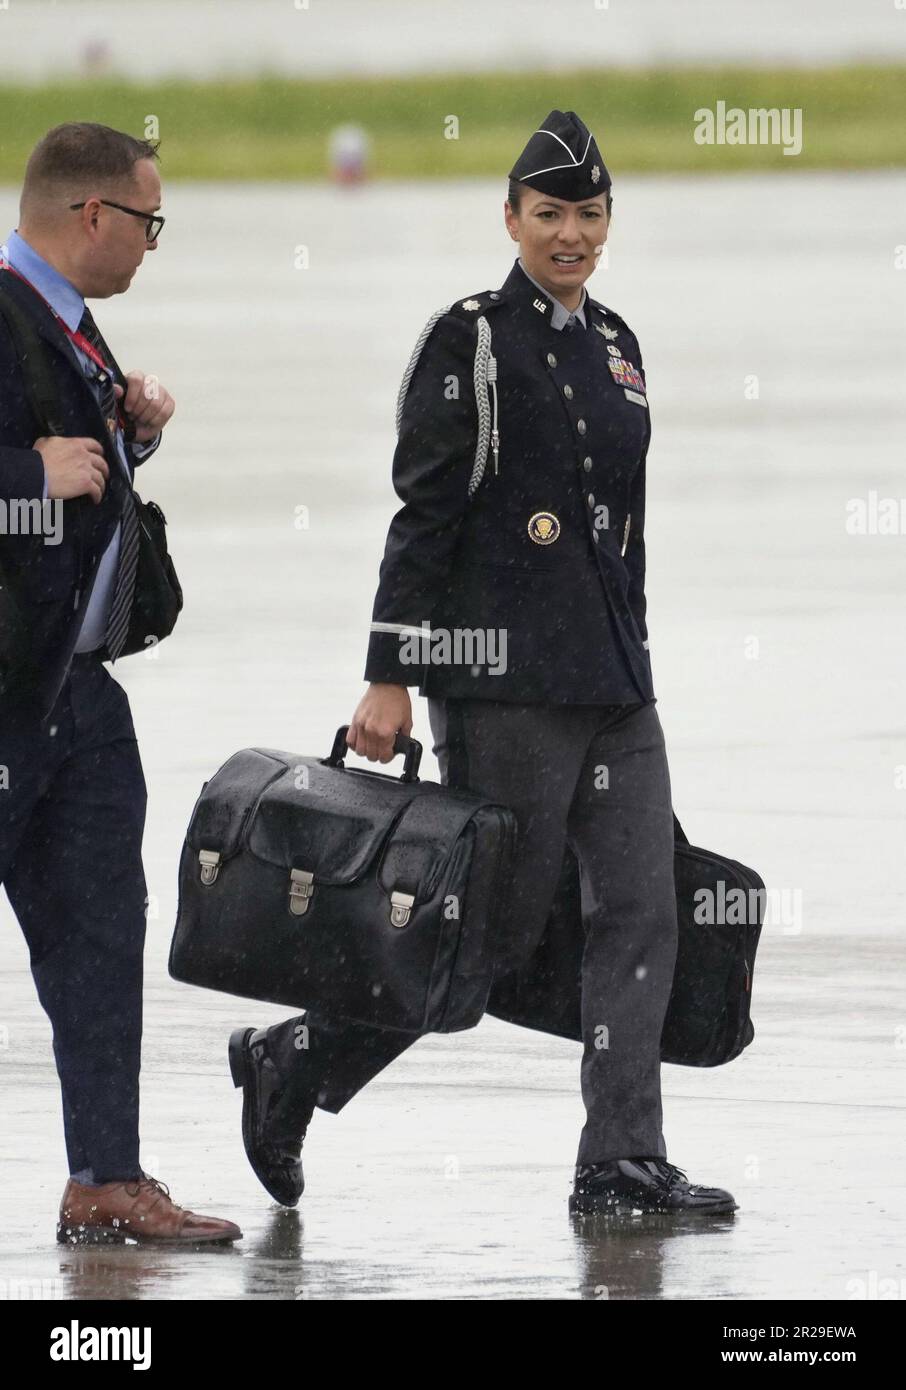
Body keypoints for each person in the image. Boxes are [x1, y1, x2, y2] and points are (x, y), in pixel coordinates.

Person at [230, 110, 737, 1216]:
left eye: (589, 214)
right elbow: (425, 517)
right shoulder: (469, 342)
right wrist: (389, 672)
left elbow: (623, 526)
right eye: (549, 214)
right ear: (509, 219)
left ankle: (619, 1159)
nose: (570, 234)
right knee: (483, 930)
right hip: (501, 680)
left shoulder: (618, 345)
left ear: (610, 221)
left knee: (642, 908)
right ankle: (298, 1056)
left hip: (613, 682)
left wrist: (636, 654)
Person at [0, 123, 240, 1244]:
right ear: (93, 214)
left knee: (101, 935)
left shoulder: (69, 328)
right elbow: (33, 482)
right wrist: (22, 476)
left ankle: (106, 1179)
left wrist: (124, 436)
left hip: (80, 700)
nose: (154, 244)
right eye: (149, 222)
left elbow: (73, 494)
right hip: (5, 697)